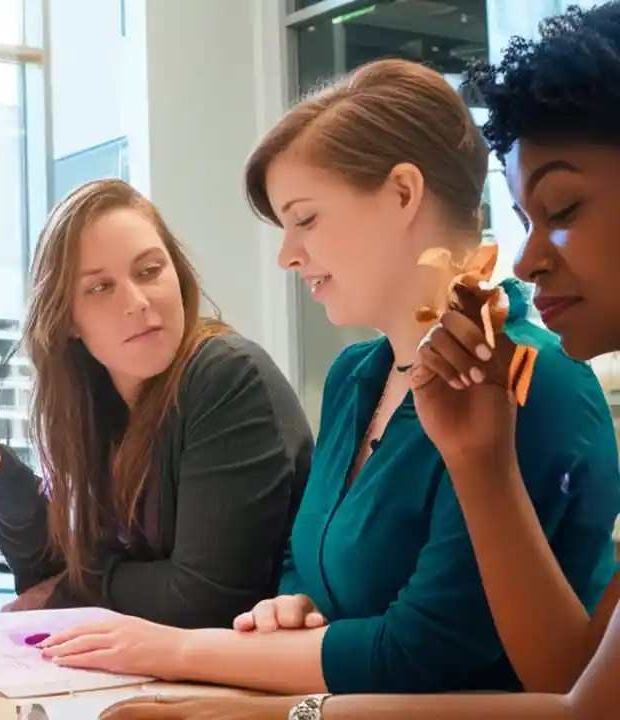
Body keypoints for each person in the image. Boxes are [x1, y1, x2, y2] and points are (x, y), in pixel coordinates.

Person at [33, 58, 620, 698]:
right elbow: (302, 559)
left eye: (305, 219)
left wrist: (182, 650)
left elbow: (434, 651)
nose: (288, 254)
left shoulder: (530, 378)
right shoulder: (355, 377)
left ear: (402, 193)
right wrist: (293, 605)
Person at [0, 179, 312, 628]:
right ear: (67, 321)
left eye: (149, 270)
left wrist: (81, 586)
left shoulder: (228, 375)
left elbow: (206, 599)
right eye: (100, 288)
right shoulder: (99, 404)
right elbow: (42, 578)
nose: (138, 302)